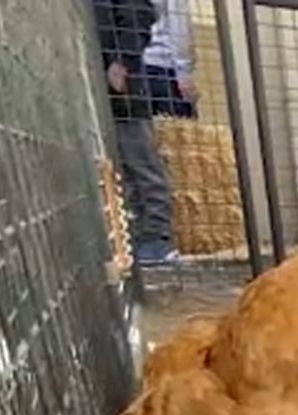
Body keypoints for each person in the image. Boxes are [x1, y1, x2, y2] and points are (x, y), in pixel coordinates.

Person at [93, 0, 179, 265]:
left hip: (122, 88)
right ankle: (136, 239)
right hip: (102, 86)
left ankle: (157, 238)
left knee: (141, 163)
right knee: (122, 170)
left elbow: (139, 11)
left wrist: (123, 60)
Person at [144, 0, 199, 120]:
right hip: (165, 68)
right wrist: (184, 73)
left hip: (130, 64)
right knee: (179, 133)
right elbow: (179, 25)